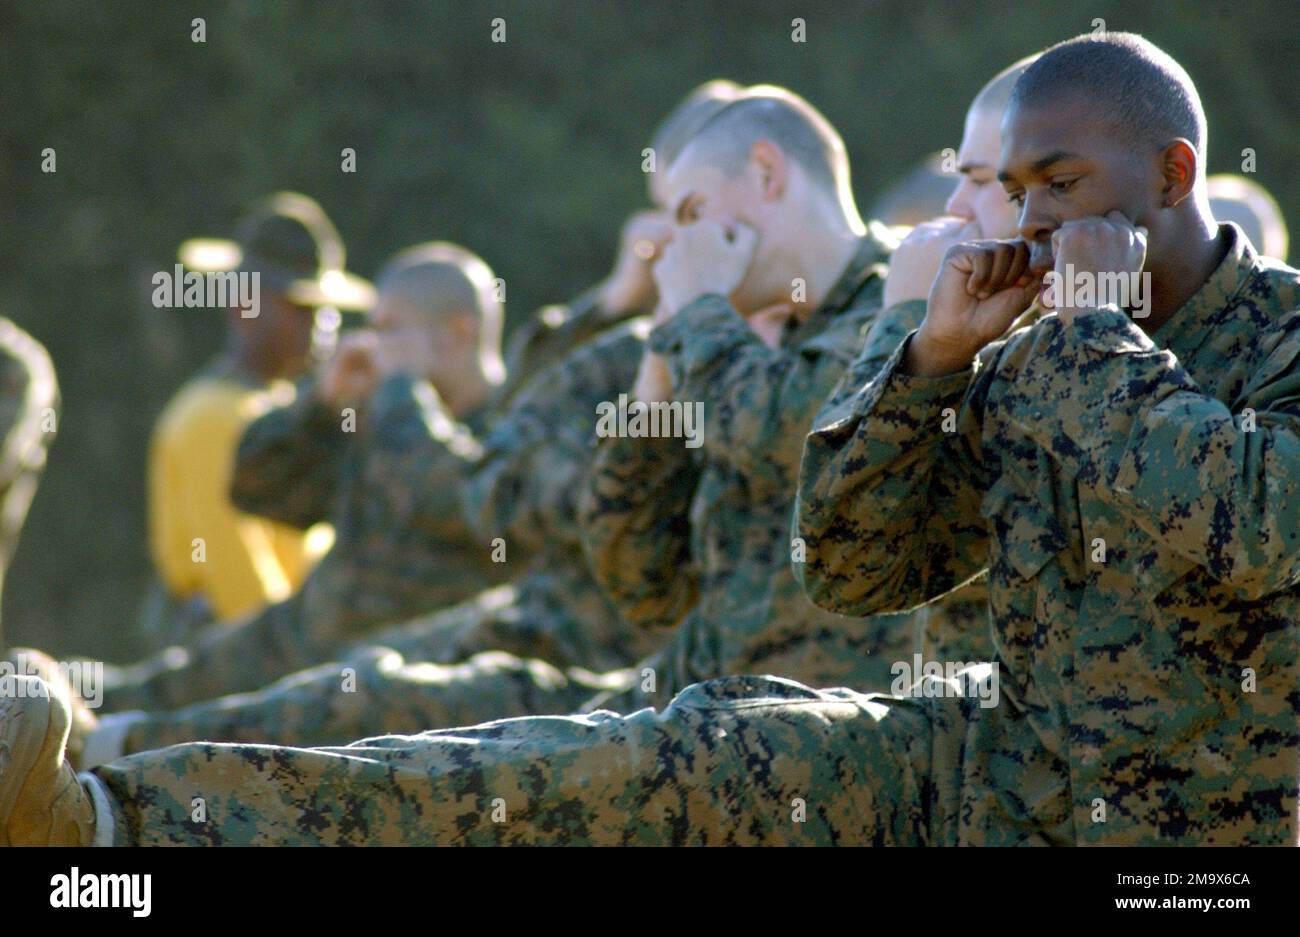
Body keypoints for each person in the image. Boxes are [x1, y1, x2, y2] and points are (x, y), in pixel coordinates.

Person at [145, 193, 366, 638]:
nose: (324, 323)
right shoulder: (212, 416)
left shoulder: (287, 413)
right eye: (301, 306)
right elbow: (241, 592)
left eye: (326, 308)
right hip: (231, 657)